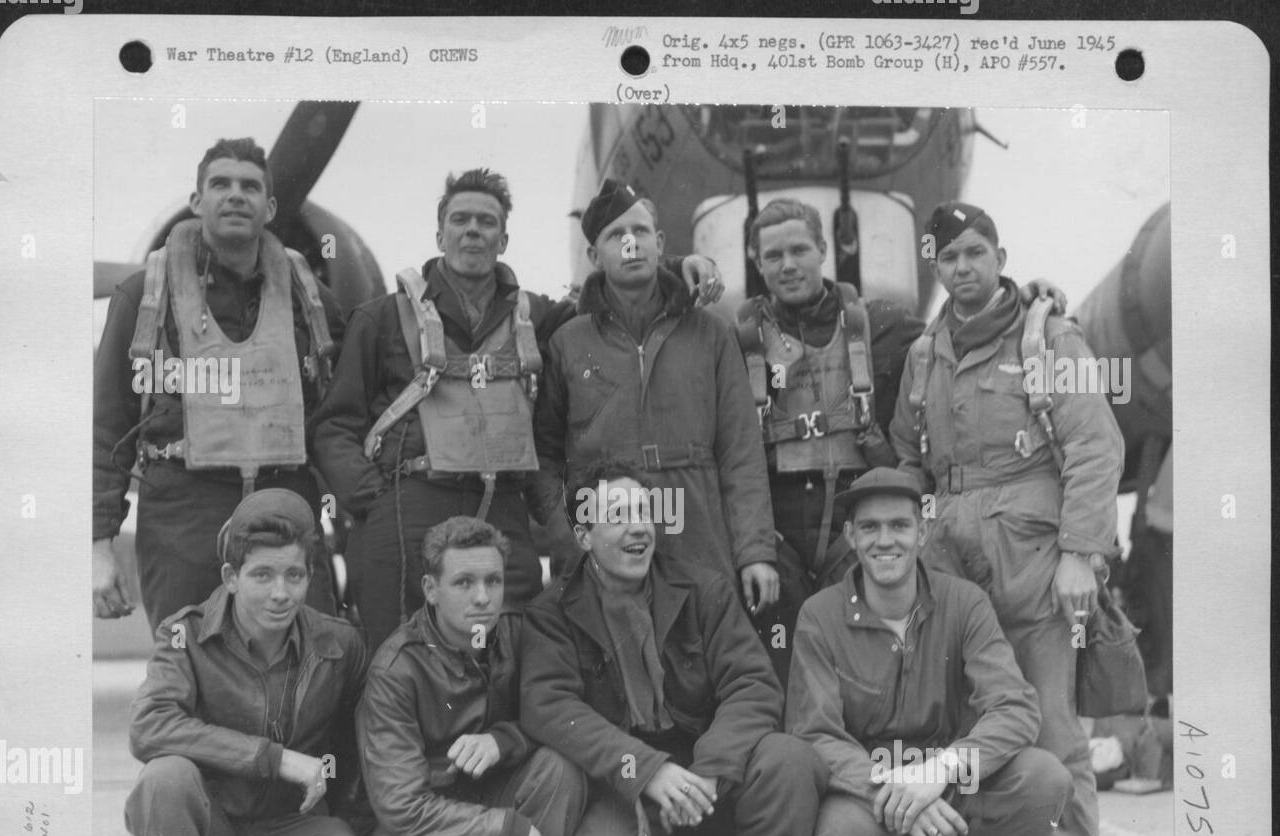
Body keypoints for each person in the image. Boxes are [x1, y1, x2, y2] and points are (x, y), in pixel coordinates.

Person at [309, 168, 725, 649]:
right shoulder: (381, 318)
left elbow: (612, 289)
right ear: (438, 233)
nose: (472, 230)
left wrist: (675, 266)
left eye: (486, 222)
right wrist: (375, 501)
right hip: (407, 505)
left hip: (502, 508)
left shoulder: (538, 317)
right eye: (460, 219)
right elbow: (334, 425)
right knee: (399, 654)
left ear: (503, 239)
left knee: (515, 653)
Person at [889, 202, 1124, 836]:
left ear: (998, 255)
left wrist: (1082, 554)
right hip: (952, 573)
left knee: (1053, 735)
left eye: (973, 253)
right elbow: (907, 457)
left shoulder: (1049, 337)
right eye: (947, 257)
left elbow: (1095, 446)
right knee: (980, 733)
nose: (961, 268)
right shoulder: (926, 354)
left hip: (1034, 570)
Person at [739, 197, 1069, 688]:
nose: (788, 265)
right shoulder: (738, 340)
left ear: (823, 249)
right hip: (779, 534)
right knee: (781, 669)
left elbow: (967, 327)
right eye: (773, 256)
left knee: (870, 661)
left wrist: (1022, 298)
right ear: (756, 261)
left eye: (800, 250)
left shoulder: (879, 324)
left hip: (853, 524)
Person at [520, 464, 824, 836]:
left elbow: (752, 683)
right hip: (627, 784)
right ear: (583, 536)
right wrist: (645, 769)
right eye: (618, 516)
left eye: (644, 512)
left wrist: (710, 769)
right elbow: (549, 706)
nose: (638, 527)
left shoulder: (703, 589)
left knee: (790, 760)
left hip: (709, 773)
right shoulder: (552, 612)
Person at [785, 468, 1072, 836]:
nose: (885, 540)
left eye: (899, 525)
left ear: (923, 532)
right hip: (865, 798)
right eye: (869, 528)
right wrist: (896, 789)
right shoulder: (819, 614)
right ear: (850, 537)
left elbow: (1016, 706)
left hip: (946, 788)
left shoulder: (964, 602)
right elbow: (814, 732)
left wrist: (938, 771)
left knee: (1045, 776)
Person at [125, 490, 392, 836]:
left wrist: (353, 833)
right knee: (164, 777)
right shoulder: (184, 635)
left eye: (294, 575)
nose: (280, 593)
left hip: (293, 825)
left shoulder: (340, 644)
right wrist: (275, 757)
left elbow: (357, 751)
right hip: (212, 828)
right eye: (262, 575)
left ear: (310, 576)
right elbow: (149, 726)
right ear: (231, 578)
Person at [94, 137, 345, 628]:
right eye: (221, 184)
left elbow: (344, 418)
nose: (236, 195)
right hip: (183, 511)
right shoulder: (141, 297)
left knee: (309, 677)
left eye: (250, 186)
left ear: (271, 207)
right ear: (197, 201)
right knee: (188, 669)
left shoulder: (313, 304)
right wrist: (99, 546)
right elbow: (108, 426)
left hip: (287, 506)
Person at [533, 179, 780, 617]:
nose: (630, 245)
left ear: (660, 242)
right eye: (615, 236)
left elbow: (741, 452)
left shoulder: (712, 334)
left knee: (708, 652)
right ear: (594, 256)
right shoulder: (567, 342)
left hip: (696, 523)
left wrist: (755, 553)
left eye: (641, 232)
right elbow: (545, 458)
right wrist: (566, 539)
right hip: (605, 527)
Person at [353, 516, 587, 836]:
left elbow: (565, 716)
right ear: (430, 588)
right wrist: (510, 829)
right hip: (413, 828)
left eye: (493, 581)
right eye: (464, 582)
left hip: (481, 802)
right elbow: (400, 807)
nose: (483, 597)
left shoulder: (517, 635)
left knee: (559, 767)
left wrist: (505, 738)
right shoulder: (396, 670)